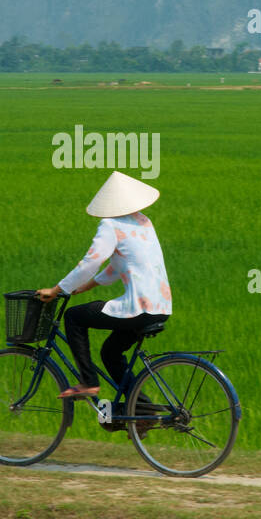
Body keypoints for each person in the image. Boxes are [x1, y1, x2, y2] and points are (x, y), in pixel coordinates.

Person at [36, 170, 173, 402]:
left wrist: (57, 290)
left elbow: (91, 262)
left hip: (138, 307)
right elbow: (120, 265)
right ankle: (141, 409)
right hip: (161, 306)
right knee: (110, 353)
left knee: (73, 317)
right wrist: (87, 287)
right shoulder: (143, 221)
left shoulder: (110, 225)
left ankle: (88, 382)